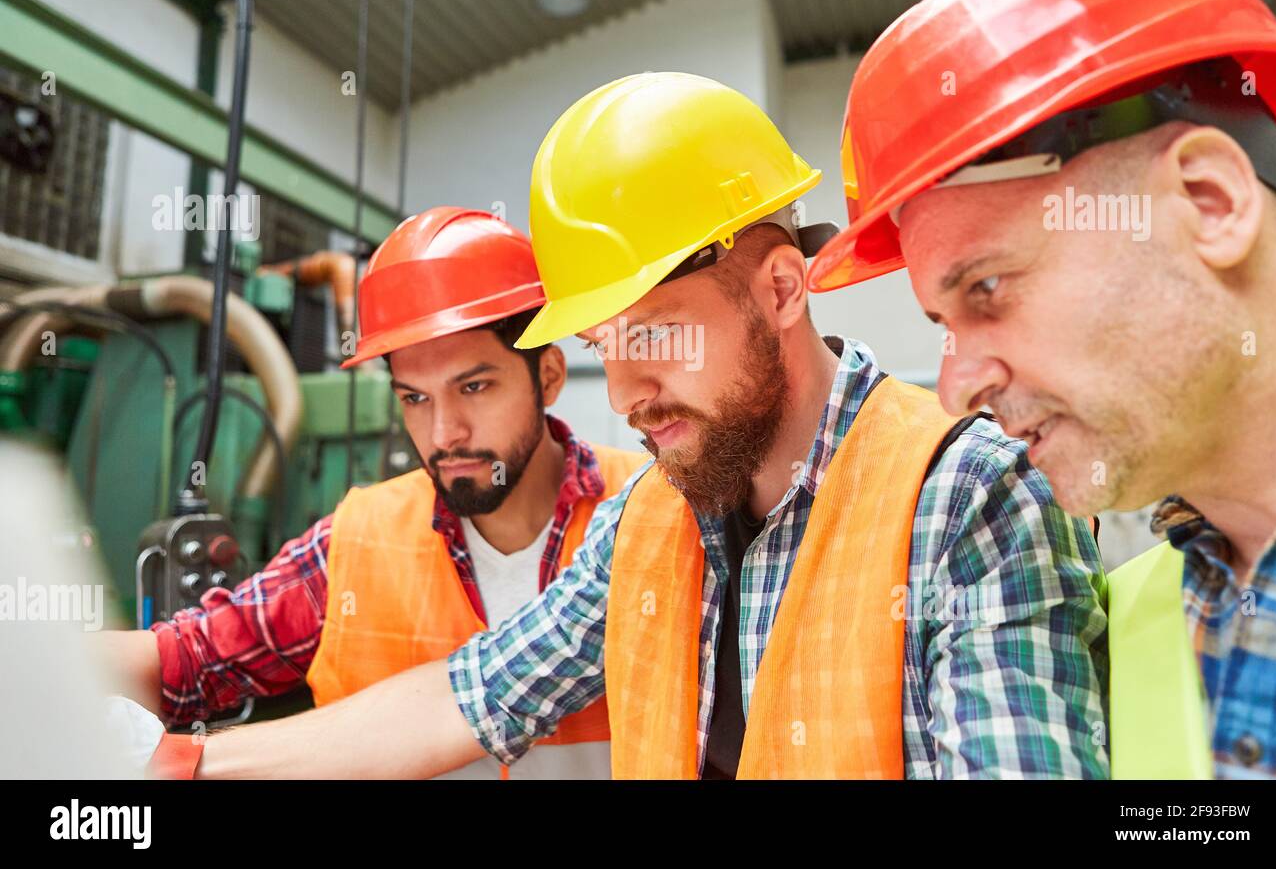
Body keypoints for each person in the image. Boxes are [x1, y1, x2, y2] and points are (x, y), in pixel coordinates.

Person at [191, 75, 1107, 779]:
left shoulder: (966, 499)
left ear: (781, 290)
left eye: (654, 333)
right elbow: (470, 698)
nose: (624, 390)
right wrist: (186, 764)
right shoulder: (654, 521)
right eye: (601, 342)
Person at [811, 0, 1276, 779]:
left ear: (1210, 201)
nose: (956, 388)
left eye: (989, 289)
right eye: (942, 325)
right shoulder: (1142, 608)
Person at [94, 206, 645, 779]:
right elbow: (188, 658)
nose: (443, 433)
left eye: (474, 386)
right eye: (415, 397)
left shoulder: (646, 518)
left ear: (549, 375)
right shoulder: (360, 541)